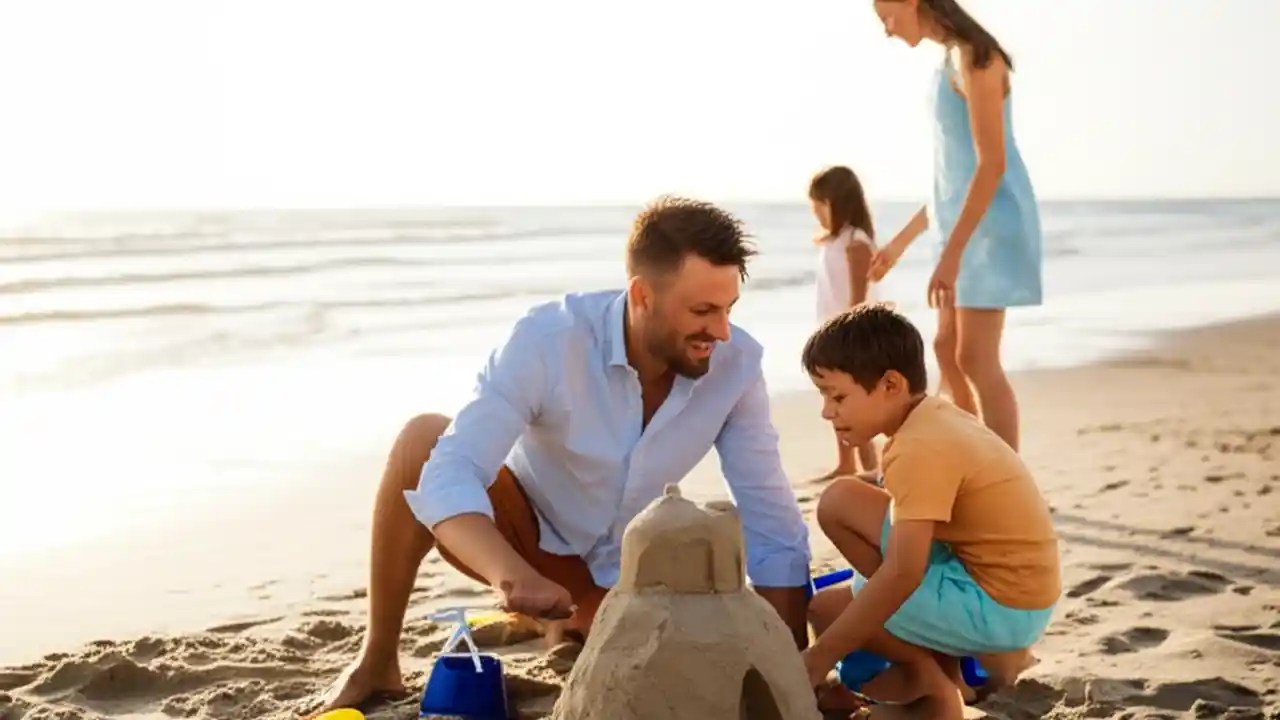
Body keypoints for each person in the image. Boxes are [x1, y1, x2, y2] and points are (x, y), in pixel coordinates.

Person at [313, 196, 813, 714]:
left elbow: (771, 518)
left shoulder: (737, 366)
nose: (722, 331)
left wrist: (791, 664)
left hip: (625, 578)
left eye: (728, 308)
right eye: (703, 311)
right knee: (423, 439)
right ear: (642, 295)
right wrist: (512, 574)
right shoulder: (550, 339)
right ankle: (377, 659)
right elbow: (452, 471)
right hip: (523, 537)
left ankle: (561, 624)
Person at [799, 305, 1060, 717]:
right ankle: (943, 665)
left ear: (890, 384)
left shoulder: (917, 448)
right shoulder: (933, 419)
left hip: (1001, 607)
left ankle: (936, 682)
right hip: (1014, 591)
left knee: (837, 516)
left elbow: (904, 572)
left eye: (838, 396)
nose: (827, 412)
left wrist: (817, 659)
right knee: (829, 601)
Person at [867, 0, 1043, 451]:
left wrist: (952, 254)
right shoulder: (947, 61)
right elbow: (949, 180)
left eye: (886, 16)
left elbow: (991, 166)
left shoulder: (976, 57)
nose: (886, 30)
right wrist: (900, 244)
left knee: (976, 357)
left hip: (988, 228)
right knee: (946, 347)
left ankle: (1004, 480)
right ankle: (971, 457)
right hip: (959, 229)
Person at [809, 165, 882, 480]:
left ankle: (871, 468)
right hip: (828, 330)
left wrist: (849, 339)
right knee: (835, 401)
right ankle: (847, 463)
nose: (815, 212)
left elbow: (858, 298)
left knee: (852, 405)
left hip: (850, 335)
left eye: (819, 204)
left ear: (835, 202)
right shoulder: (834, 241)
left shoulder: (857, 242)